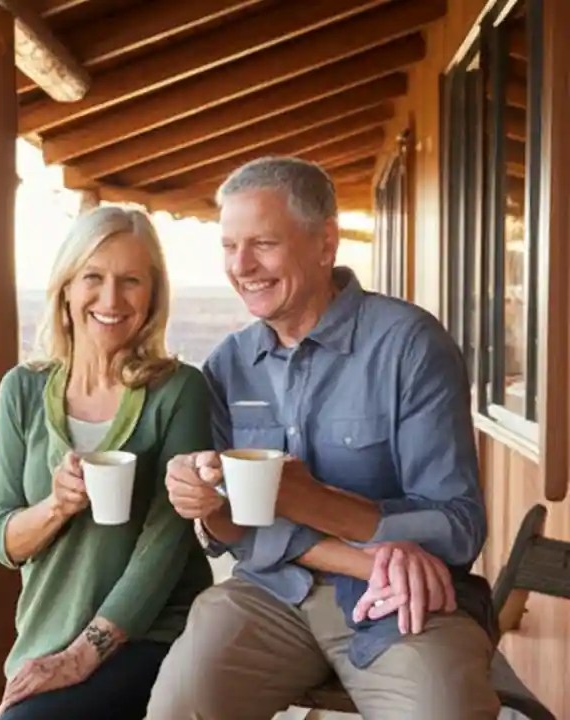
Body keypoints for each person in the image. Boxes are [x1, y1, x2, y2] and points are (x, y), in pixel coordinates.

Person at [147, 156, 499, 719]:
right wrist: (201, 498)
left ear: (325, 243)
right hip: (270, 594)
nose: (242, 266)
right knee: (179, 706)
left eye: (263, 243)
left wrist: (316, 503)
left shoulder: (410, 346)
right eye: (229, 245)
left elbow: (458, 529)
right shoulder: (230, 365)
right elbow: (232, 530)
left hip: (401, 602)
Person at [0, 205, 214, 719]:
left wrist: (82, 655)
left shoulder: (179, 390)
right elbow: (2, 538)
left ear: (153, 295)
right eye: (94, 277)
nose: (111, 299)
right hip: (46, 638)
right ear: (66, 287)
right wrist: (57, 506)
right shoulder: (21, 390)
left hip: (150, 634)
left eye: (131, 280)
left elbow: (165, 547)